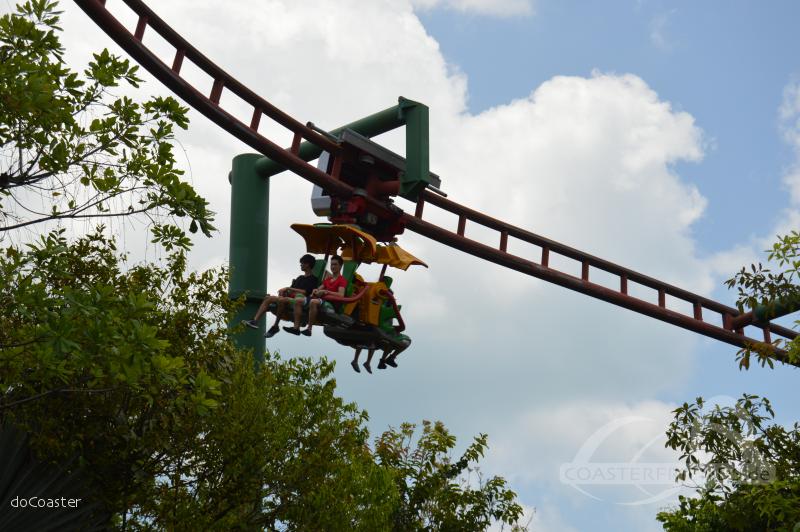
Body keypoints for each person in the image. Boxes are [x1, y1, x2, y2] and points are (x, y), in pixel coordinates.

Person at [242, 254, 318, 337]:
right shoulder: (300, 278)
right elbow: (291, 290)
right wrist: (285, 291)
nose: (301, 265)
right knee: (268, 298)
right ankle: (255, 321)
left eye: (302, 263)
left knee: (282, 300)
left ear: (307, 264)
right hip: (290, 298)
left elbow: (305, 292)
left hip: (300, 301)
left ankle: (275, 326)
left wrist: (288, 288)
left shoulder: (313, 279)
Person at [286, 254, 347, 336]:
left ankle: (309, 329)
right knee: (299, 300)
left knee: (313, 302)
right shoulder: (328, 280)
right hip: (321, 300)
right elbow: (318, 289)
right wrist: (316, 291)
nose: (333, 267)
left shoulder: (342, 280)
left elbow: (341, 295)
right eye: (332, 264)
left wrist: (326, 292)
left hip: (331, 304)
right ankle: (296, 327)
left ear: (340, 266)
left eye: (335, 264)